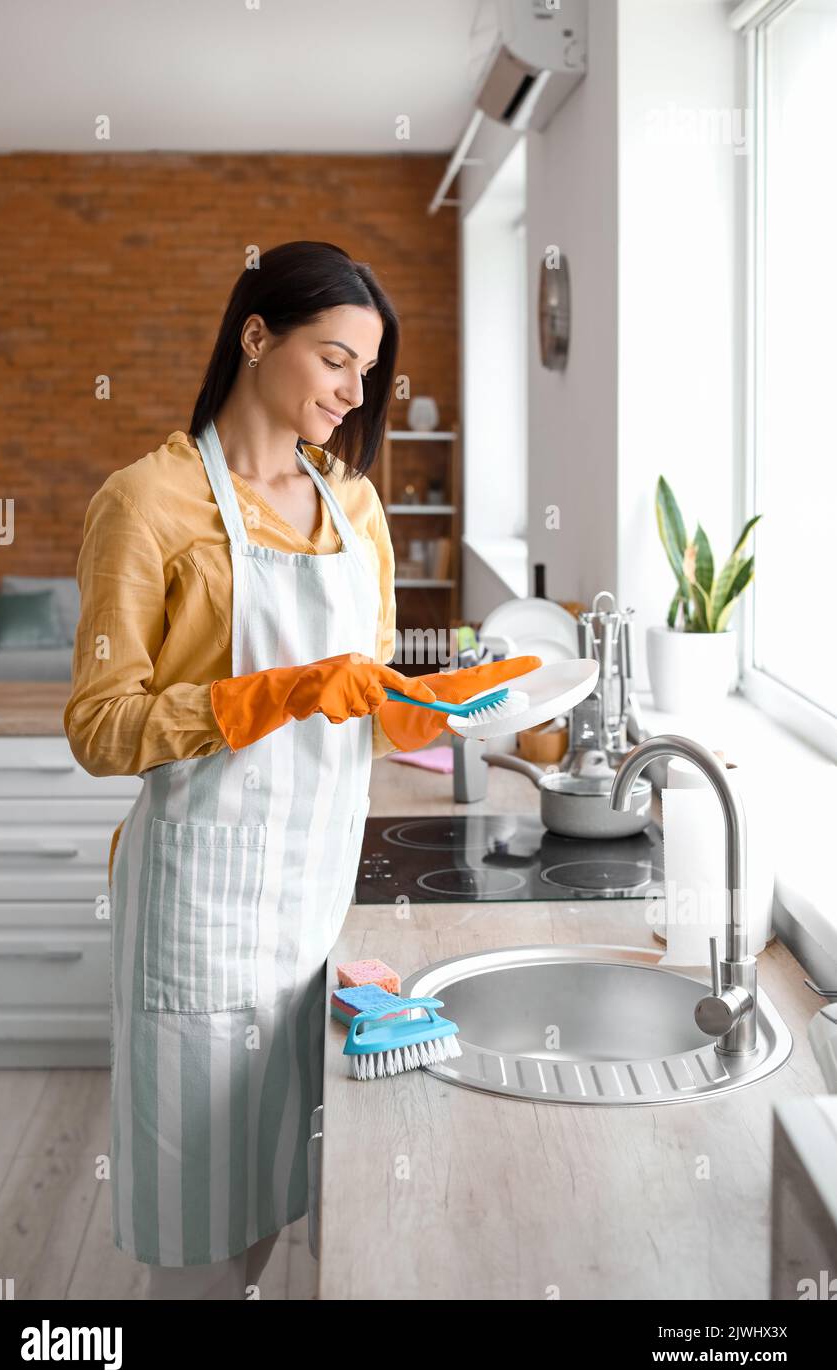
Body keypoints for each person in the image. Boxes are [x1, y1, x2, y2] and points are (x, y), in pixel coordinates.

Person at [64, 240, 537, 1299]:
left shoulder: (355, 507)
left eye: (365, 372)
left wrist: (437, 704)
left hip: (315, 895)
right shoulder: (148, 503)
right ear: (254, 335)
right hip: (200, 906)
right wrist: (271, 692)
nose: (351, 391)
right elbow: (99, 727)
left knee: (279, 1193)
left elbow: (357, 710)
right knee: (194, 1235)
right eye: (334, 358)